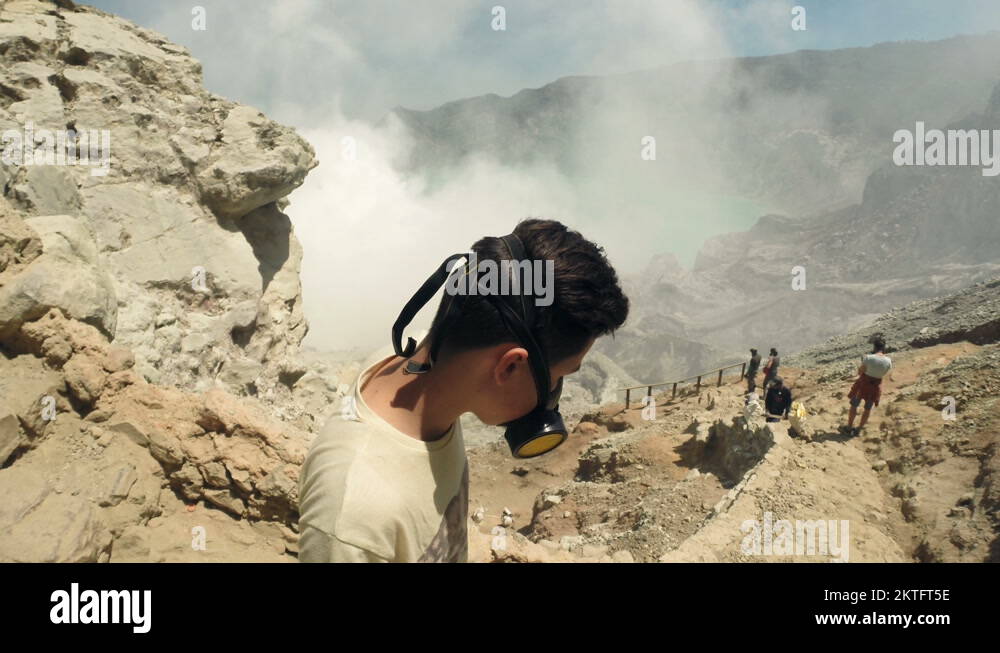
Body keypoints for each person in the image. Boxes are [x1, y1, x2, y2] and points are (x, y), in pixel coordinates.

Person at [297, 219, 629, 562]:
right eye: (559, 378)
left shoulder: (428, 366)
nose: (554, 395)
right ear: (509, 366)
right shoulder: (355, 517)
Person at [844, 336, 892, 436]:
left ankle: (849, 427)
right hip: (875, 387)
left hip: (862, 384)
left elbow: (860, 371)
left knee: (854, 405)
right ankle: (858, 429)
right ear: (883, 348)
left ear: (874, 347)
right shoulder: (888, 361)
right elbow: (884, 373)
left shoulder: (869, 358)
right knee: (867, 408)